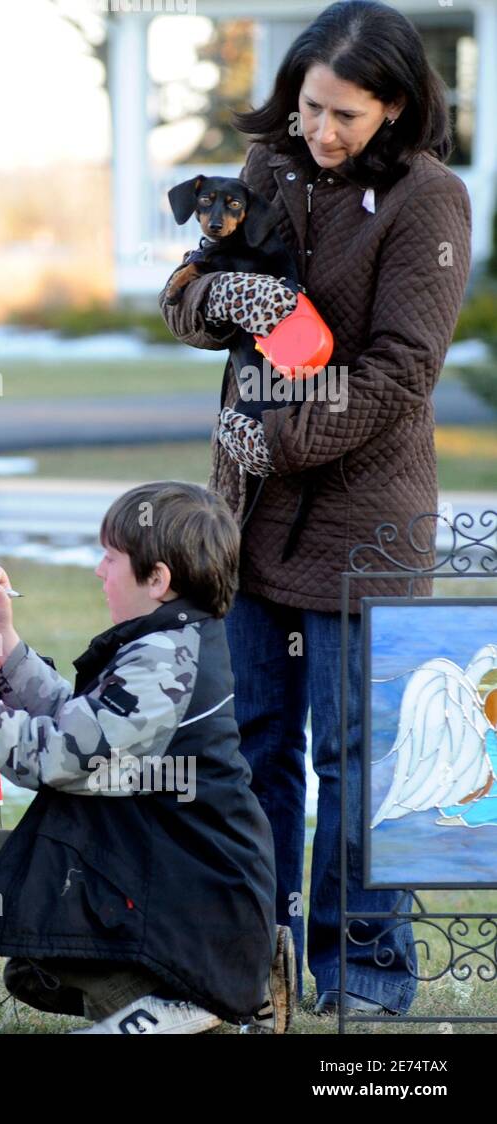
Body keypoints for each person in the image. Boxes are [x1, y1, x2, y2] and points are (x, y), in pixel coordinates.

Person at [158, 0, 472, 1017]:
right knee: (251, 741)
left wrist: (275, 433)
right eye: (309, 108)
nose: (322, 132)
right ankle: (255, 956)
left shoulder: (430, 201)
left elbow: (400, 373)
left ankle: (363, 972)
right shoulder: (275, 169)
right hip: (248, 524)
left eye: (345, 114)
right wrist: (223, 303)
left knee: (359, 760)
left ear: (393, 107)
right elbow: (185, 290)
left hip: (361, 526)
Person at [0, 481, 287, 1034]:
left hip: (197, 902)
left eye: (111, 557)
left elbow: (59, 758)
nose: (100, 571)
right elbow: (78, 722)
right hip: (187, 888)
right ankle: (175, 998)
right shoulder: (173, 638)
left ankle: (185, 1008)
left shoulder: (167, 660)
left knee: (5, 870)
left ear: (158, 579)